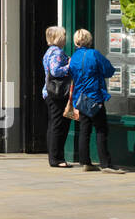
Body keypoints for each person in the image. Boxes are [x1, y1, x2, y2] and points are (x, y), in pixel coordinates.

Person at [69, 28, 125, 173]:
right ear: (89, 40)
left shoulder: (74, 57)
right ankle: (105, 163)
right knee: (101, 130)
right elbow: (109, 70)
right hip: (94, 97)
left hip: (80, 98)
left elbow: (71, 73)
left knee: (84, 130)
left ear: (76, 41)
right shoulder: (94, 54)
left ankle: (85, 162)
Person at [41, 25, 73, 168]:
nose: (65, 38)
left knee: (54, 125)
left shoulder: (50, 51)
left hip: (49, 92)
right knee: (58, 125)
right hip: (57, 93)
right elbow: (55, 71)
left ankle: (55, 157)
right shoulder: (57, 52)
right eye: (64, 36)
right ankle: (56, 159)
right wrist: (69, 65)